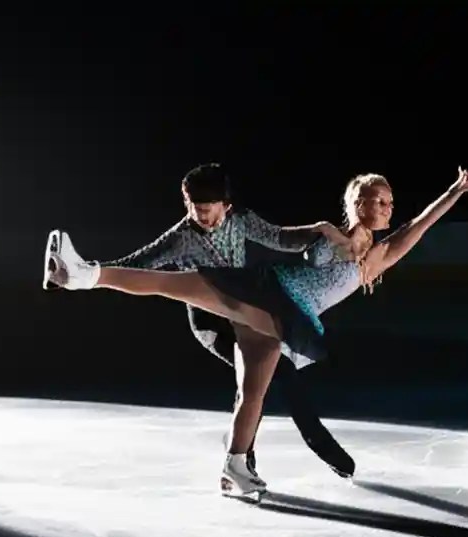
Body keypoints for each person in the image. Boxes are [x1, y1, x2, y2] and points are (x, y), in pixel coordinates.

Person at [45, 163, 468, 499]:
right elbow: (287, 239)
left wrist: (454, 191)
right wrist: (322, 231)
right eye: (377, 199)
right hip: (267, 293)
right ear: (356, 204)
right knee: (177, 284)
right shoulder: (333, 236)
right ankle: (86, 274)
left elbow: (420, 226)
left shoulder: (379, 257)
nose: (386, 207)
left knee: (252, 391)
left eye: (390, 201)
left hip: (284, 317)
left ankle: (235, 466)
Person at [44, 162, 348, 475]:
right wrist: (77, 275)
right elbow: (137, 264)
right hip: (210, 320)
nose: (197, 216)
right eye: (191, 207)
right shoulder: (181, 236)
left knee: (268, 375)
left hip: (244, 310)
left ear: (226, 206)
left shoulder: (242, 220)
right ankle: (251, 456)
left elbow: (280, 238)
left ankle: (259, 450)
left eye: (205, 209)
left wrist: (318, 230)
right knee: (265, 376)